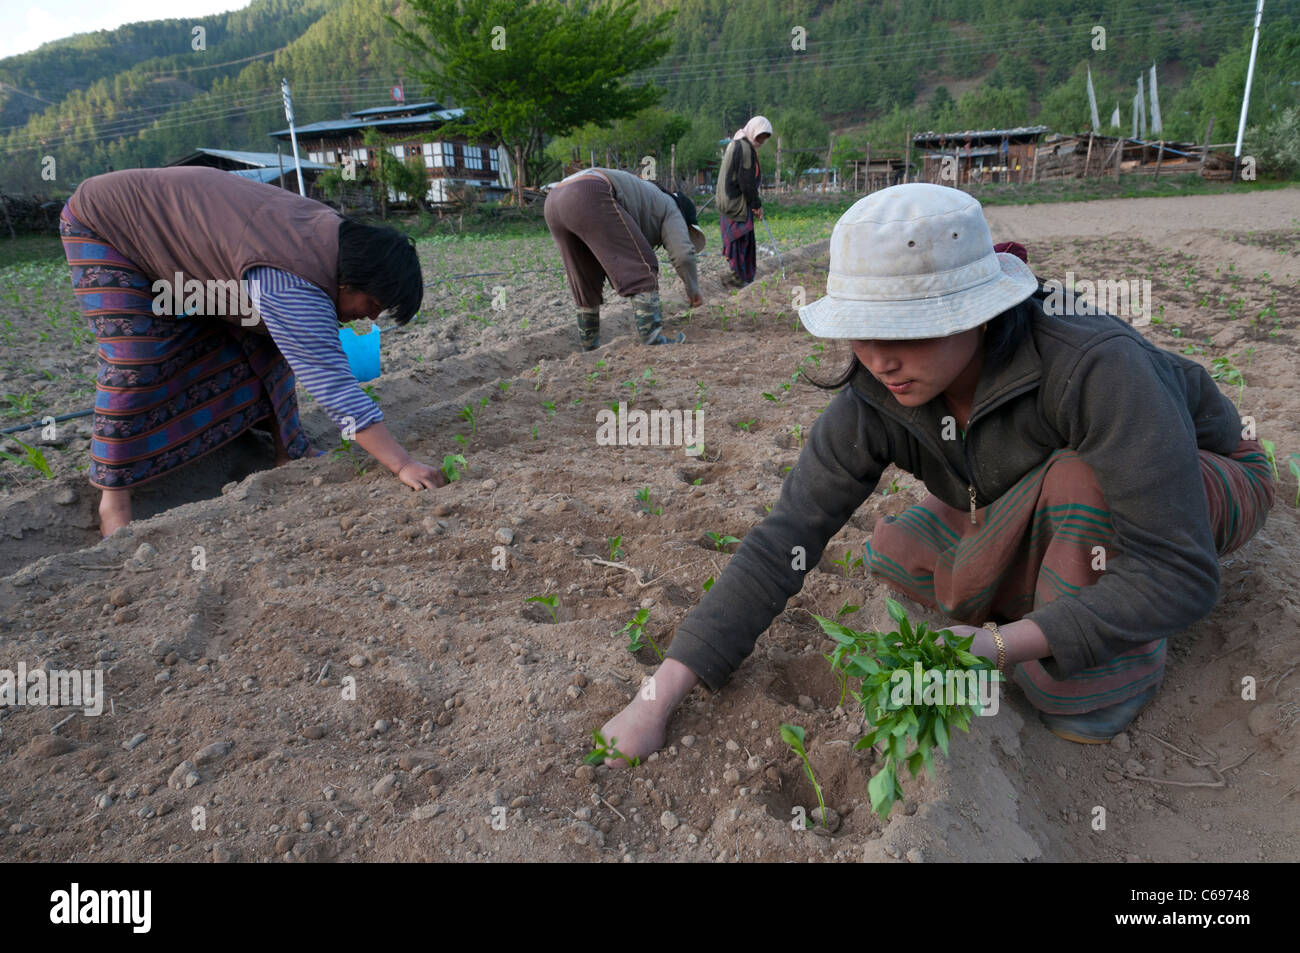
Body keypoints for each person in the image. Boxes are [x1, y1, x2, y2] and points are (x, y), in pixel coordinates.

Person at [601, 182, 1274, 757]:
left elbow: (1178, 570)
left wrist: (999, 646)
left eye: (910, 331)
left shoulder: (1094, 366)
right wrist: (656, 699)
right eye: (865, 332)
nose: (883, 360)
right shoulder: (876, 394)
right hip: (1027, 486)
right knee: (908, 546)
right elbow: (786, 537)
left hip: (1208, 475)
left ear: (980, 315)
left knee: (1077, 486)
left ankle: (1098, 665)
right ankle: (1044, 565)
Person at [59, 166, 444, 537]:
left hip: (188, 235)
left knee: (263, 332)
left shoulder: (333, 241)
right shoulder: (292, 279)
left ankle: (287, 452)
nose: (369, 317)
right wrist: (402, 463)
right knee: (138, 356)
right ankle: (114, 500)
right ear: (351, 280)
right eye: (372, 304)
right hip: (107, 224)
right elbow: (331, 385)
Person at [543, 167, 706, 351]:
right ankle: (653, 339)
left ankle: (589, 347)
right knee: (642, 266)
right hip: (589, 192)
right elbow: (683, 254)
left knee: (585, 277)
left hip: (554, 199)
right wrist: (693, 291)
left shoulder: (648, 196)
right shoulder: (672, 206)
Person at [716, 116, 772, 288]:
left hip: (728, 201)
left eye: (765, 137)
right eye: (760, 136)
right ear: (753, 131)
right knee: (741, 240)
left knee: (739, 241)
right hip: (736, 203)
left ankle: (739, 275)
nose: (762, 141)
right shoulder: (745, 148)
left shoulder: (737, 143)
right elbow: (746, 181)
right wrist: (756, 205)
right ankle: (739, 277)